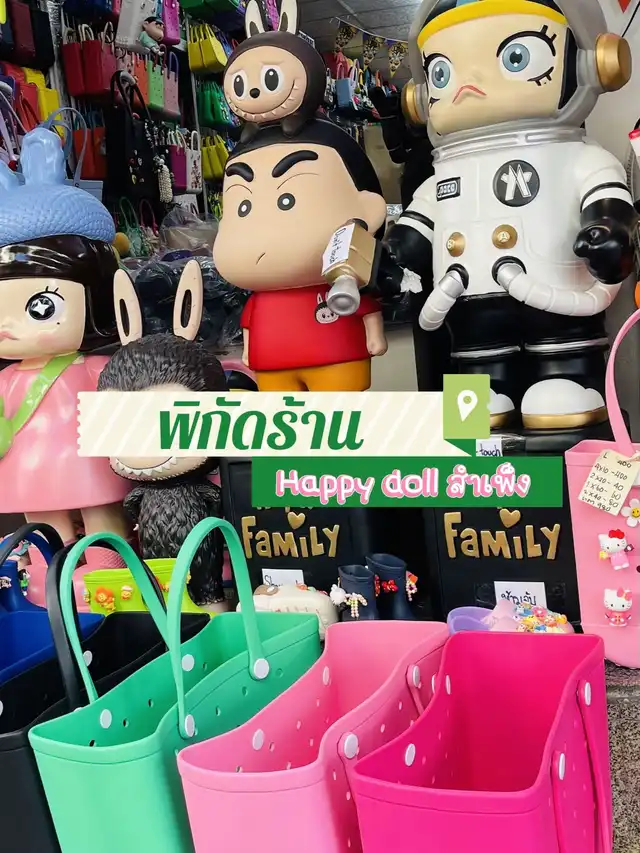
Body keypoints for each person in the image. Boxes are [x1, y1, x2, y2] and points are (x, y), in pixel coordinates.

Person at [384, 0, 637, 428]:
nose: (469, 84)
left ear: (591, 63)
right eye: (442, 73)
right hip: (467, 307)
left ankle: (570, 381)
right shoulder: (440, 176)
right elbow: (415, 231)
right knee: (475, 385)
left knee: (562, 380)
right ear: (421, 97)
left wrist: (610, 232)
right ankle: (479, 401)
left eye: (516, 57)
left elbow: (608, 203)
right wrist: (394, 258)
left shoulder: (578, 158)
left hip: (558, 303)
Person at [0, 124, 131, 606]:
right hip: (28, 466)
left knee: (101, 516)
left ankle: (108, 565)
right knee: (41, 525)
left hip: (87, 459)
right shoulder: (8, 376)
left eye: (40, 306)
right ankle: (45, 572)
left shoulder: (93, 367)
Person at [213, 117, 390, 391]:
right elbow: (249, 323)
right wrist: (249, 351)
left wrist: (374, 334)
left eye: (287, 201)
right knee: (286, 413)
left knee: (339, 410)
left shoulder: (342, 286)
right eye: (243, 207)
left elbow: (364, 306)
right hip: (272, 364)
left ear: (367, 210)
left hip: (336, 357)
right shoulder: (260, 300)